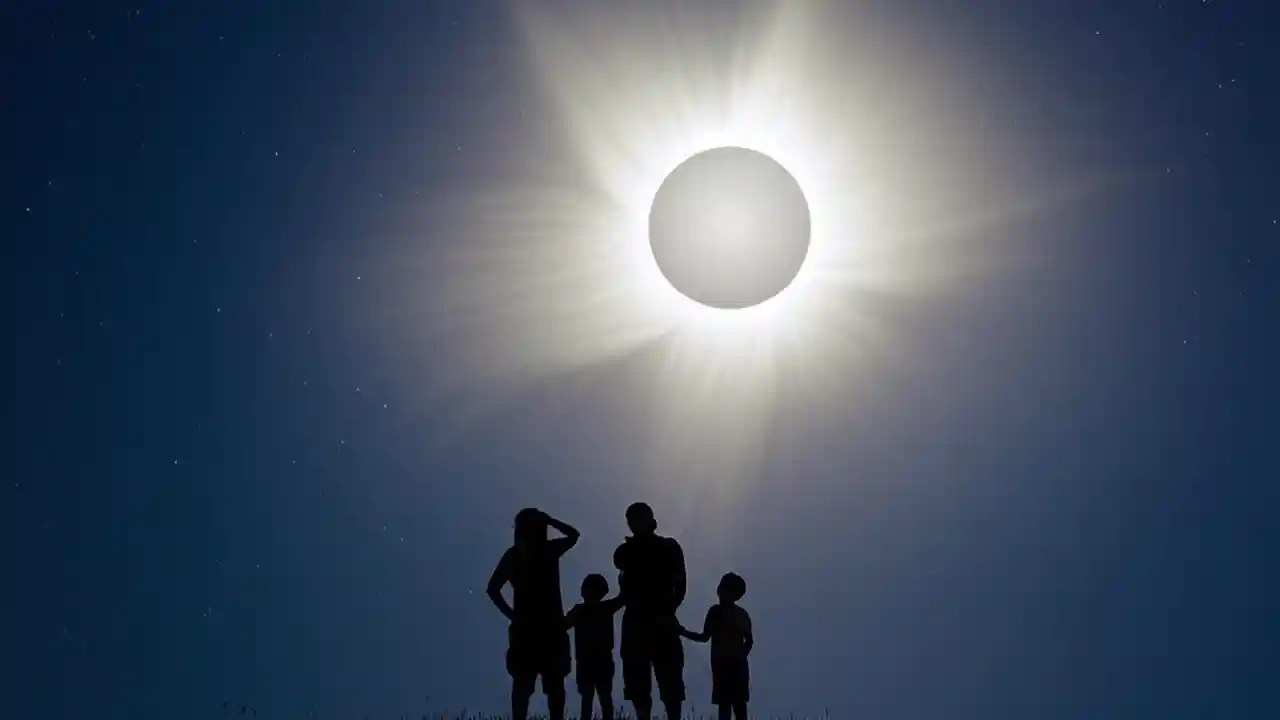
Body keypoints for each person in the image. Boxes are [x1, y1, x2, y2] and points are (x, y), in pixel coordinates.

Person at [486, 508, 580, 720]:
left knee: (552, 683)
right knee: (524, 682)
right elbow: (493, 588)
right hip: (529, 628)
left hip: (548, 626)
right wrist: (512, 616)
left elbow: (574, 536)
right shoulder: (517, 554)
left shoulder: (548, 549)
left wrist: (551, 519)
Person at [613, 502, 687, 720]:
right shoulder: (626, 550)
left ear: (649, 518)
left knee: (670, 678)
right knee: (637, 679)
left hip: (662, 618)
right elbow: (620, 563)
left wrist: (668, 611)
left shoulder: (669, 546)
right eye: (630, 518)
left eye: (637, 517)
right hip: (636, 620)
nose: (632, 522)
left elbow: (680, 584)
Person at [679, 573, 753, 720]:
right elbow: (705, 636)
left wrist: (683, 632)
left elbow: (704, 637)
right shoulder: (724, 613)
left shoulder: (726, 613)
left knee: (734, 705)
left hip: (730, 664)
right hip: (727, 664)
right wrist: (684, 632)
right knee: (731, 705)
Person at [565, 573, 625, 720]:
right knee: (589, 698)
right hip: (587, 660)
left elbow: (623, 598)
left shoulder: (602, 608)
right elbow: (563, 624)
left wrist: (623, 581)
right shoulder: (581, 611)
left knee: (602, 698)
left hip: (600, 659)